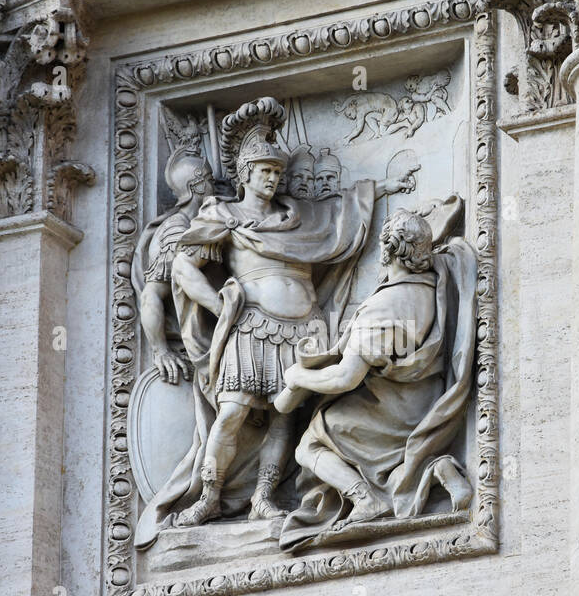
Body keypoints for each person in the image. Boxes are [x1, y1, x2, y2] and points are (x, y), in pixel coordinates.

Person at [134, 97, 417, 544]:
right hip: (251, 326)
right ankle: (209, 494)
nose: (272, 179)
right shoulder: (222, 215)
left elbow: (341, 212)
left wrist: (387, 187)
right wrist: (219, 306)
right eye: (264, 171)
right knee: (233, 411)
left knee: (285, 416)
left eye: (277, 172)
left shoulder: (296, 217)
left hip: (304, 329)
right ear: (244, 174)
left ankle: (264, 496)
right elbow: (184, 270)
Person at [273, 205, 475, 553]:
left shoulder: (384, 307)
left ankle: (366, 499)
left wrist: (299, 375)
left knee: (311, 445)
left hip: (393, 412)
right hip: (425, 400)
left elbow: (346, 378)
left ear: (386, 250)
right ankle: (434, 467)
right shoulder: (433, 284)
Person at [129, 148, 214, 384]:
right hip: (193, 340)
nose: (214, 185)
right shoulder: (175, 230)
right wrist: (161, 351)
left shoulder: (203, 219)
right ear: (196, 186)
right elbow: (151, 294)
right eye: (209, 180)